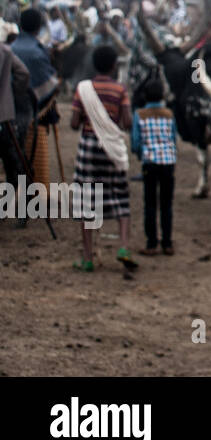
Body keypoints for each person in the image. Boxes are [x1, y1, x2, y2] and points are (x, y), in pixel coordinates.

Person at [69, 46, 135, 273]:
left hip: (88, 147)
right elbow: (127, 123)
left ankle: (87, 258)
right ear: (114, 65)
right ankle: (124, 247)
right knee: (120, 196)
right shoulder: (120, 90)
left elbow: (74, 123)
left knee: (88, 200)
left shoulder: (83, 89)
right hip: (112, 151)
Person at [130, 77, 178, 256]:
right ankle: (167, 243)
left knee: (150, 203)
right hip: (168, 162)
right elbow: (173, 138)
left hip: (150, 162)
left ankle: (151, 243)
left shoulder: (139, 114)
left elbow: (135, 142)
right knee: (167, 204)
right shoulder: (169, 114)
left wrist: (141, 153)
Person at [0, 40, 30, 205]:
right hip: (4, 118)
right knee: (13, 163)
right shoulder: (5, 50)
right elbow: (23, 73)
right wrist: (9, 96)